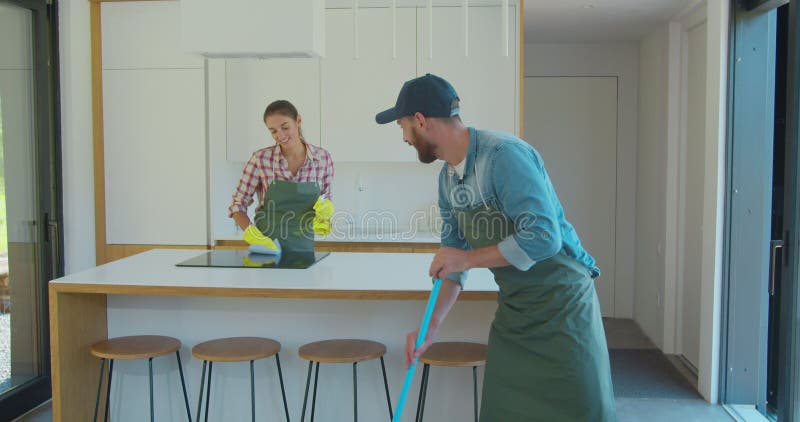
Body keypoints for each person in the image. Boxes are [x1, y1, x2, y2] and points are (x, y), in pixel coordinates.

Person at [375, 74, 617, 421]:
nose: (404, 138)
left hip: (563, 307)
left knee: (580, 413)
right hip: (516, 313)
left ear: (421, 121)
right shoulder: (448, 181)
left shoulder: (504, 155)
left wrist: (467, 259)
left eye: (402, 126)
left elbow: (543, 236)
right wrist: (430, 327)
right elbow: (451, 266)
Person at [229, 100, 335, 254]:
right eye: (273, 131)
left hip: (303, 248)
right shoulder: (261, 159)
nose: (280, 135)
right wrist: (253, 236)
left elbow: (325, 199)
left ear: (298, 121)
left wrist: (324, 215)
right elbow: (237, 204)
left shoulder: (323, 158)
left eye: (285, 127)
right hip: (266, 248)